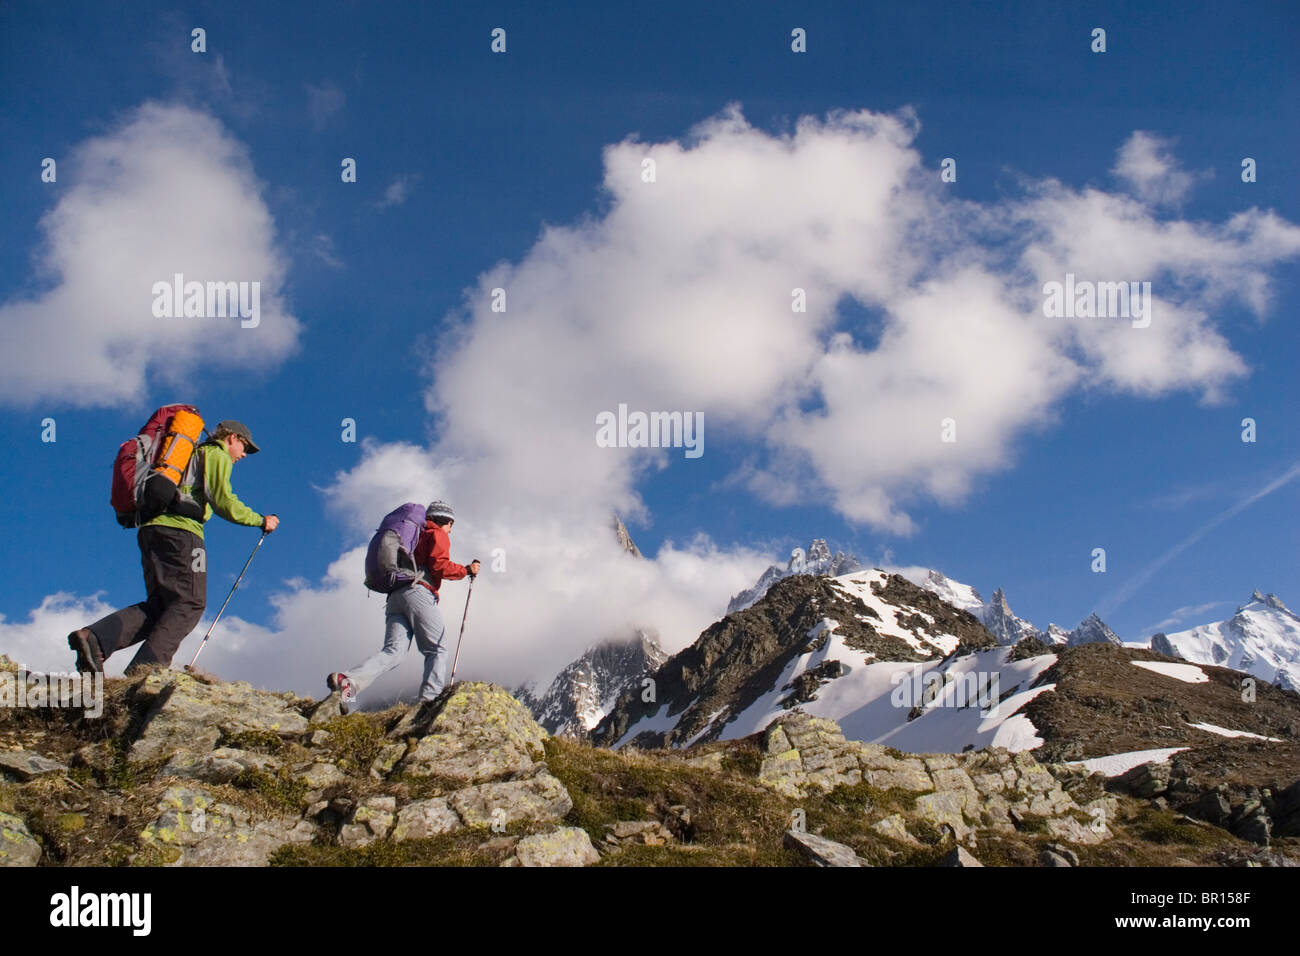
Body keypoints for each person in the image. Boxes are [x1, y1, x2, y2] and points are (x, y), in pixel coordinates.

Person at [69, 420, 279, 675]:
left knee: (162, 605)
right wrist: (260, 520)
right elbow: (223, 500)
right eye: (244, 446)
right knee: (191, 601)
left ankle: (95, 639)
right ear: (232, 438)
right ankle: (146, 671)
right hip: (183, 533)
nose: (244, 454)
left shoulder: (186, 457)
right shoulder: (215, 453)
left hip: (152, 530)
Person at [327, 500, 480, 712]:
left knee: (393, 652)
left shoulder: (413, 537)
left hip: (395, 595)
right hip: (419, 592)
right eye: (451, 525)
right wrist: (466, 571)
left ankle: (349, 681)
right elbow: (439, 565)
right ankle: (428, 701)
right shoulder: (437, 534)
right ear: (445, 521)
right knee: (436, 647)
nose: (451, 530)